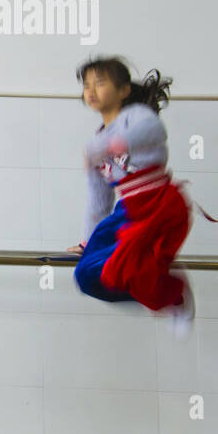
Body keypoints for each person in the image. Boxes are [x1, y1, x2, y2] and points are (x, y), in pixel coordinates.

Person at [69, 57, 200, 337]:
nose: (91, 90)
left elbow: (155, 131)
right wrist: (86, 240)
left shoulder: (137, 115)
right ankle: (160, 285)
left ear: (124, 90)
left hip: (157, 204)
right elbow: (98, 198)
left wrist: (114, 144)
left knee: (127, 267)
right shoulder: (94, 143)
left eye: (100, 83)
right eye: (87, 85)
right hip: (126, 210)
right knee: (86, 276)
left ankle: (173, 294)